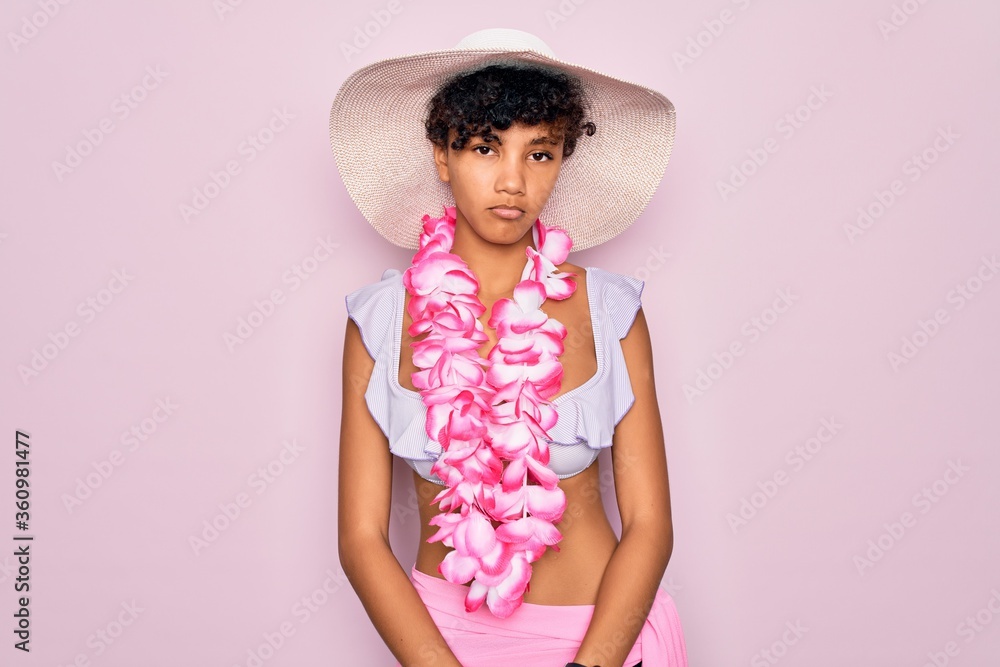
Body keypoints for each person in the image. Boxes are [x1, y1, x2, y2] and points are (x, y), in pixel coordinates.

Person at [332, 28, 687, 667]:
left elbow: (651, 526)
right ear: (442, 157)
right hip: (440, 646)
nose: (513, 181)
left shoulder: (611, 312)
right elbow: (361, 539)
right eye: (484, 148)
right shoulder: (380, 320)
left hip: (601, 643)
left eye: (541, 153)